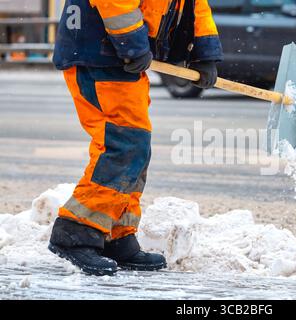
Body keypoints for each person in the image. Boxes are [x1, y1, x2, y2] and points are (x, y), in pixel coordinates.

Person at [48, 0, 223, 276]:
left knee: (136, 148)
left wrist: (204, 53)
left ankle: (116, 234)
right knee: (123, 145)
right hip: (100, 55)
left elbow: (194, 6)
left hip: (122, 59)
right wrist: (131, 42)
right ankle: (76, 230)